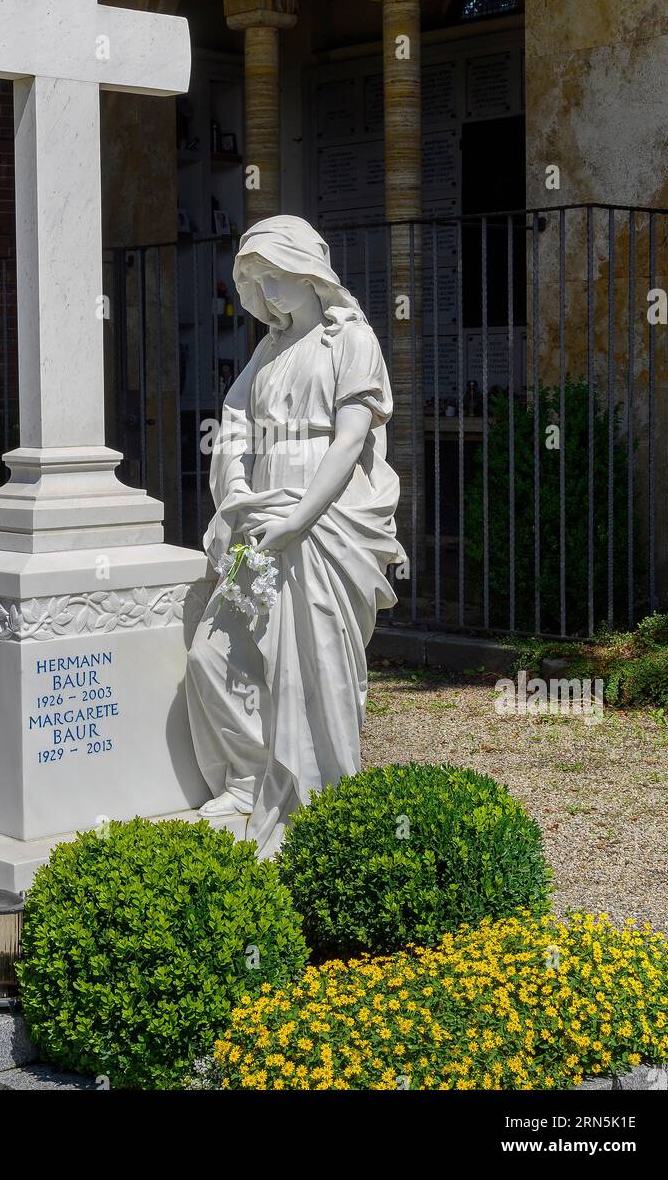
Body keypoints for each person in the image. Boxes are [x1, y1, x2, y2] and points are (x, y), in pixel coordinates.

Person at [185, 215, 404, 857]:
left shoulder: (350, 340)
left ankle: (321, 805)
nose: (269, 298)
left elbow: (351, 441)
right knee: (213, 658)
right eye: (258, 286)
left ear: (312, 275)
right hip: (263, 513)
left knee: (314, 665)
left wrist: (300, 517)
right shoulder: (268, 352)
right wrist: (236, 494)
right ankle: (250, 778)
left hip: (319, 516)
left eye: (277, 281)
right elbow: (232, 422)